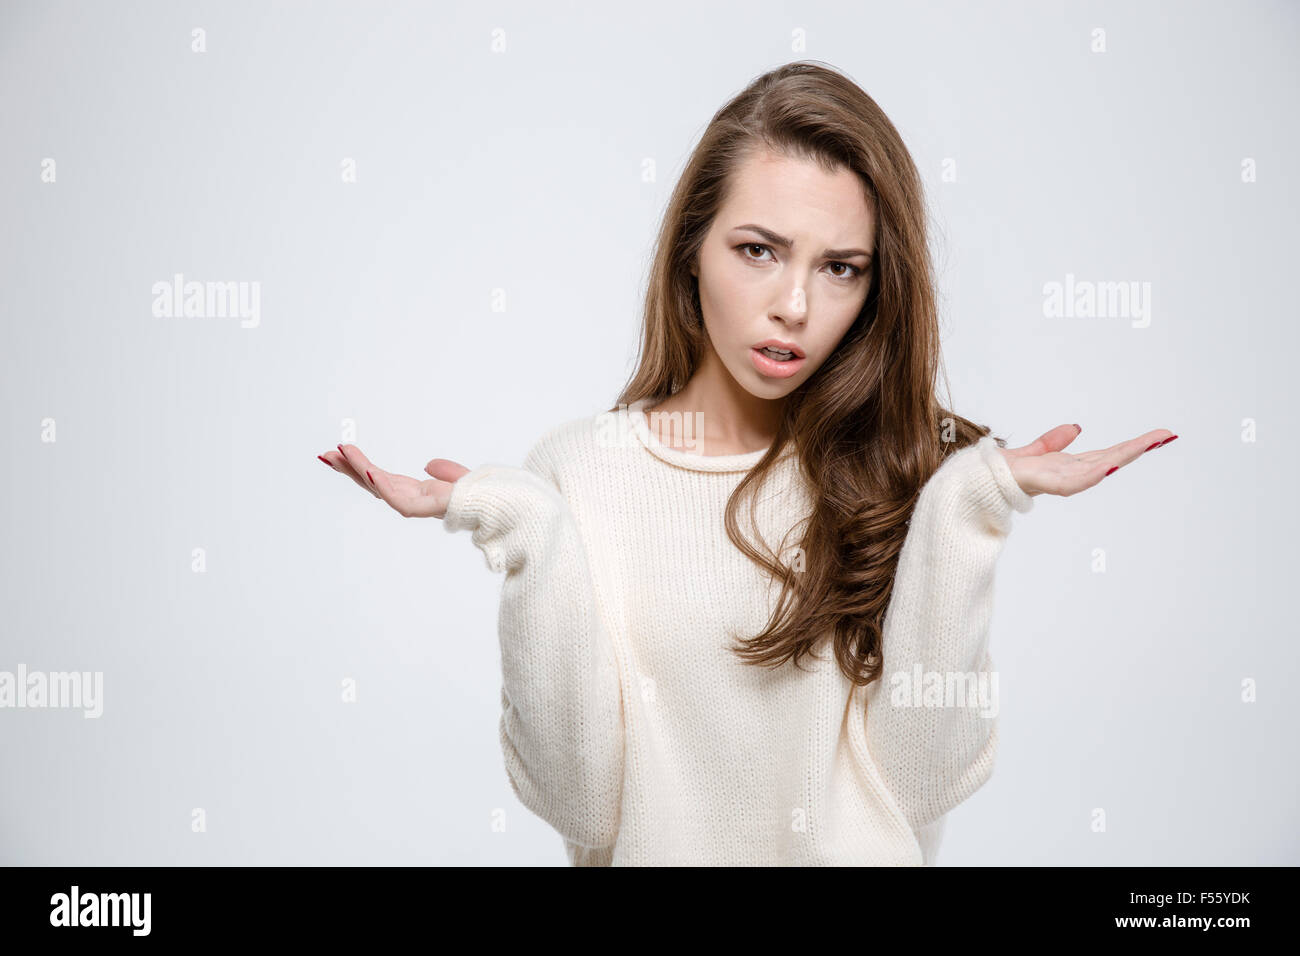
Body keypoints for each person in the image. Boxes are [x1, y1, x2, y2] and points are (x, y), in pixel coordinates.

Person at [318, 61, 1176, 866]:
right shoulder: (582, 470)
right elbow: (582, 807)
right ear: (693, 248)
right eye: (759, 250)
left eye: (840, 268)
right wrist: (530, 532)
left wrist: (966, 508)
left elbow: (916, 793)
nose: (795, 306)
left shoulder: (909, 467)